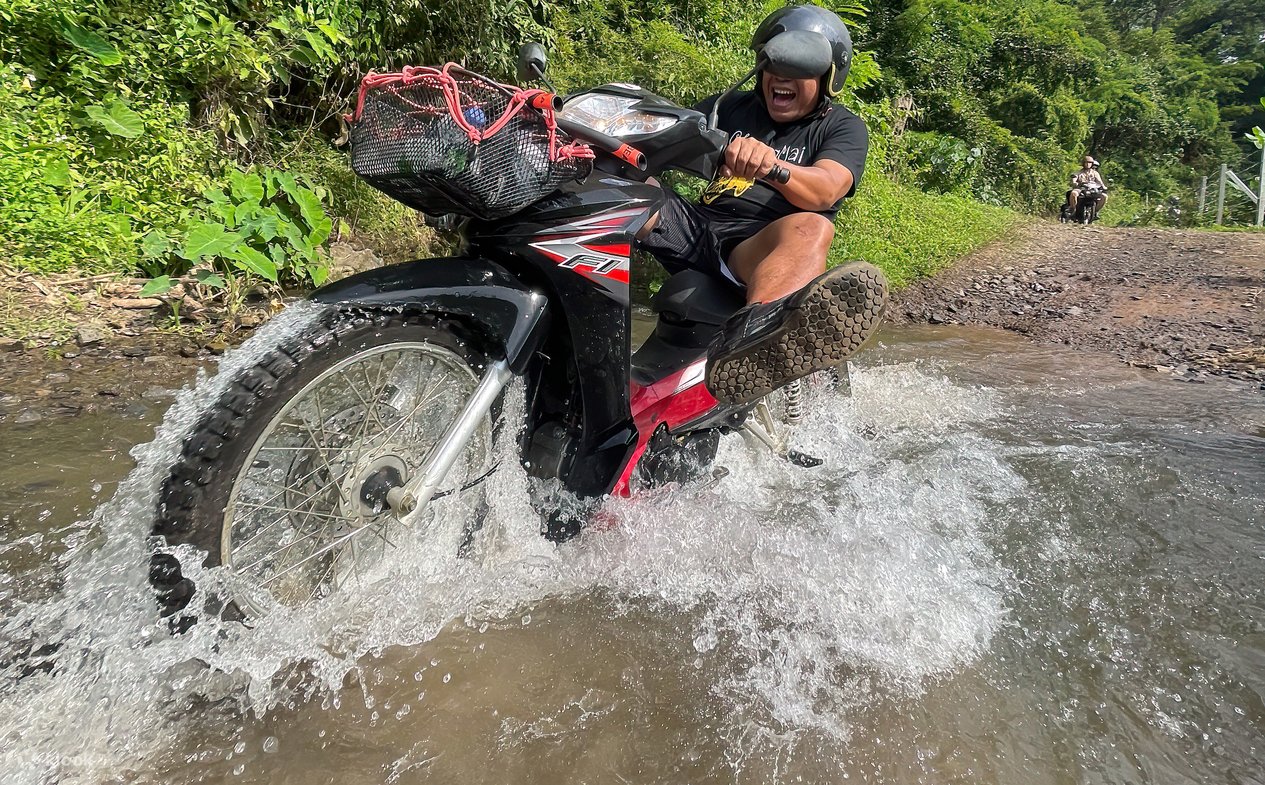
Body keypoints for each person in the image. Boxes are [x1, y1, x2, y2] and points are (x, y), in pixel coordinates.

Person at [636, 4, 886, 405]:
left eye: (800, 68)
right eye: (774, 63)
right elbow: (662, 137)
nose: (781, 77)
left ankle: (758, 342)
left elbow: (826, 188)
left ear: (828, 77)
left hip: (755, 249)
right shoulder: (730, 107)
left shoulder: (841, 126)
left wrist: (772, 166)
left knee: (813, 226)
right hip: (696, 231)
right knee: (628, 187)